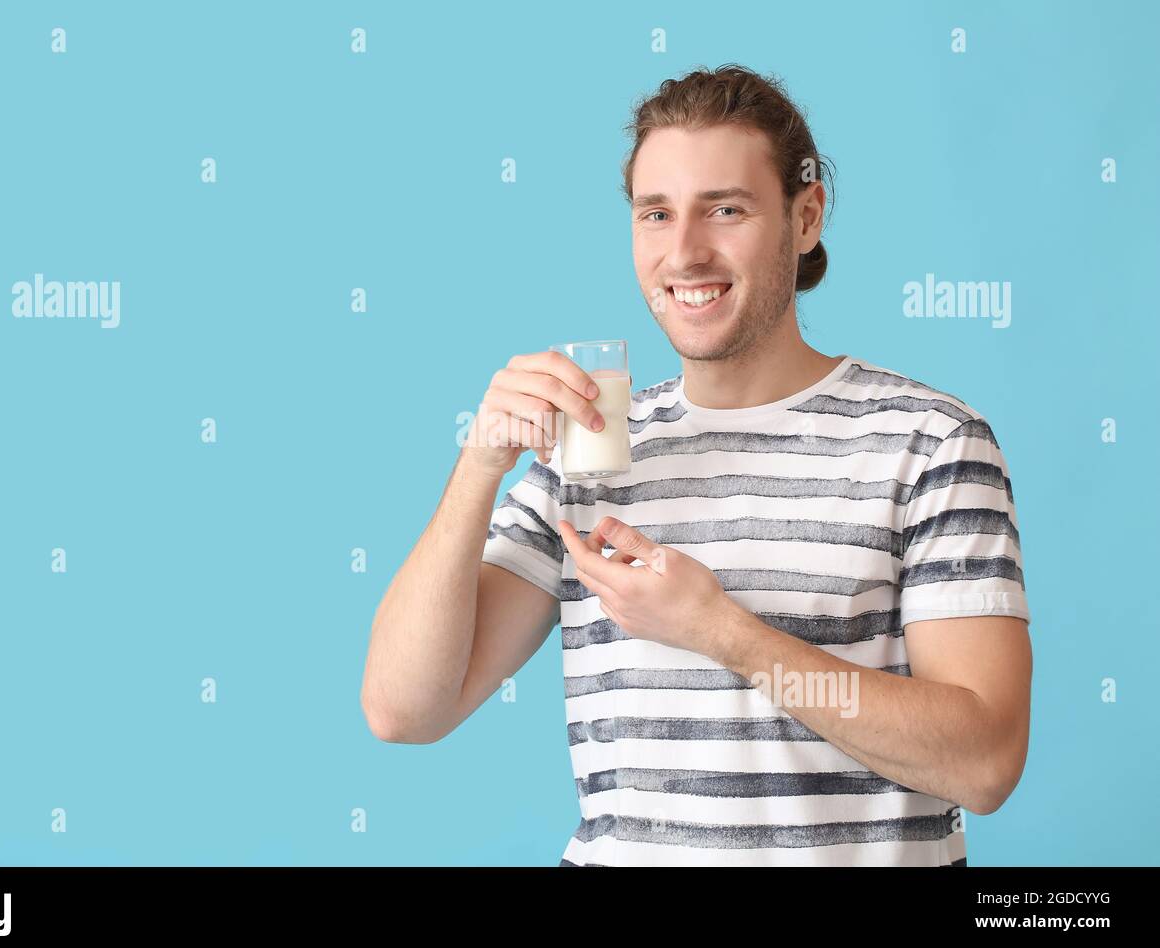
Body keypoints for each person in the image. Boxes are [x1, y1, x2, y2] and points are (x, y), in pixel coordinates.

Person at [361, 64, 1031, 866]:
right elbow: (404, 710)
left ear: (806, 216)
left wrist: (720, 632)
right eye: (656, 213)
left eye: (726, 209)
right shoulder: (589, 448)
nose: (684, 252)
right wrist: (479, 466)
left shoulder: (930, 442)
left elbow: (985, 762)